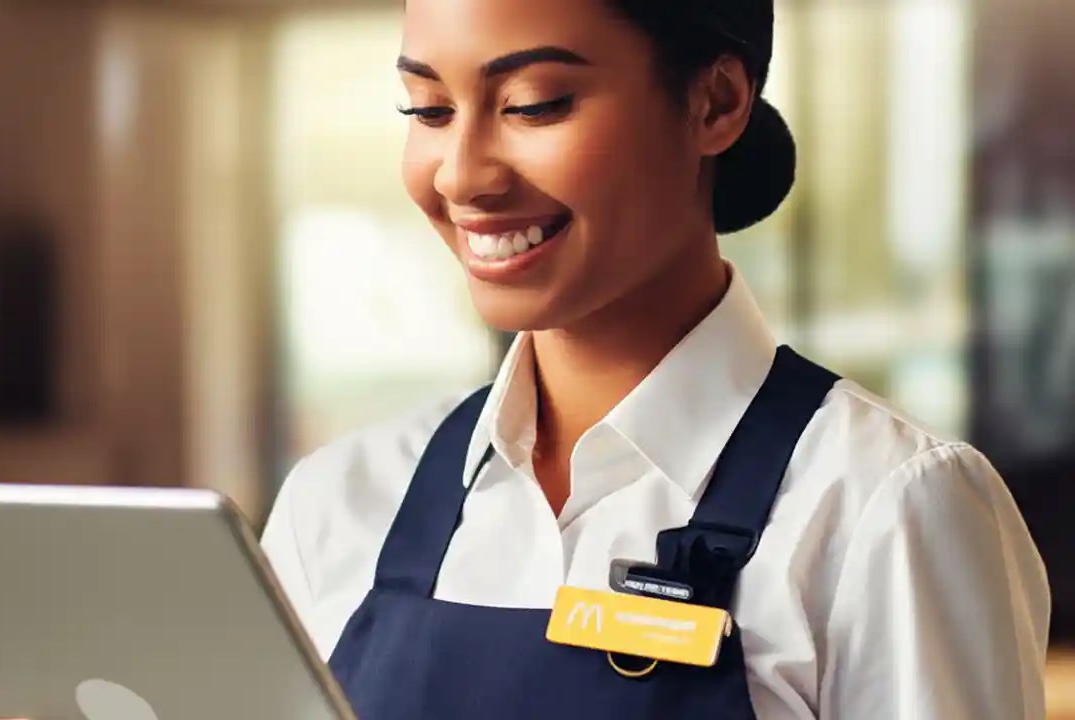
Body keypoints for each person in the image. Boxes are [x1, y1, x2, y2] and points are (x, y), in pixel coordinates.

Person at [260, 0, 1051, 717]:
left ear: (716, 103)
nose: (463, 174)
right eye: (428, 109)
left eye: (534, 104)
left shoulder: (883, 506)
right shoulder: (336, 504)